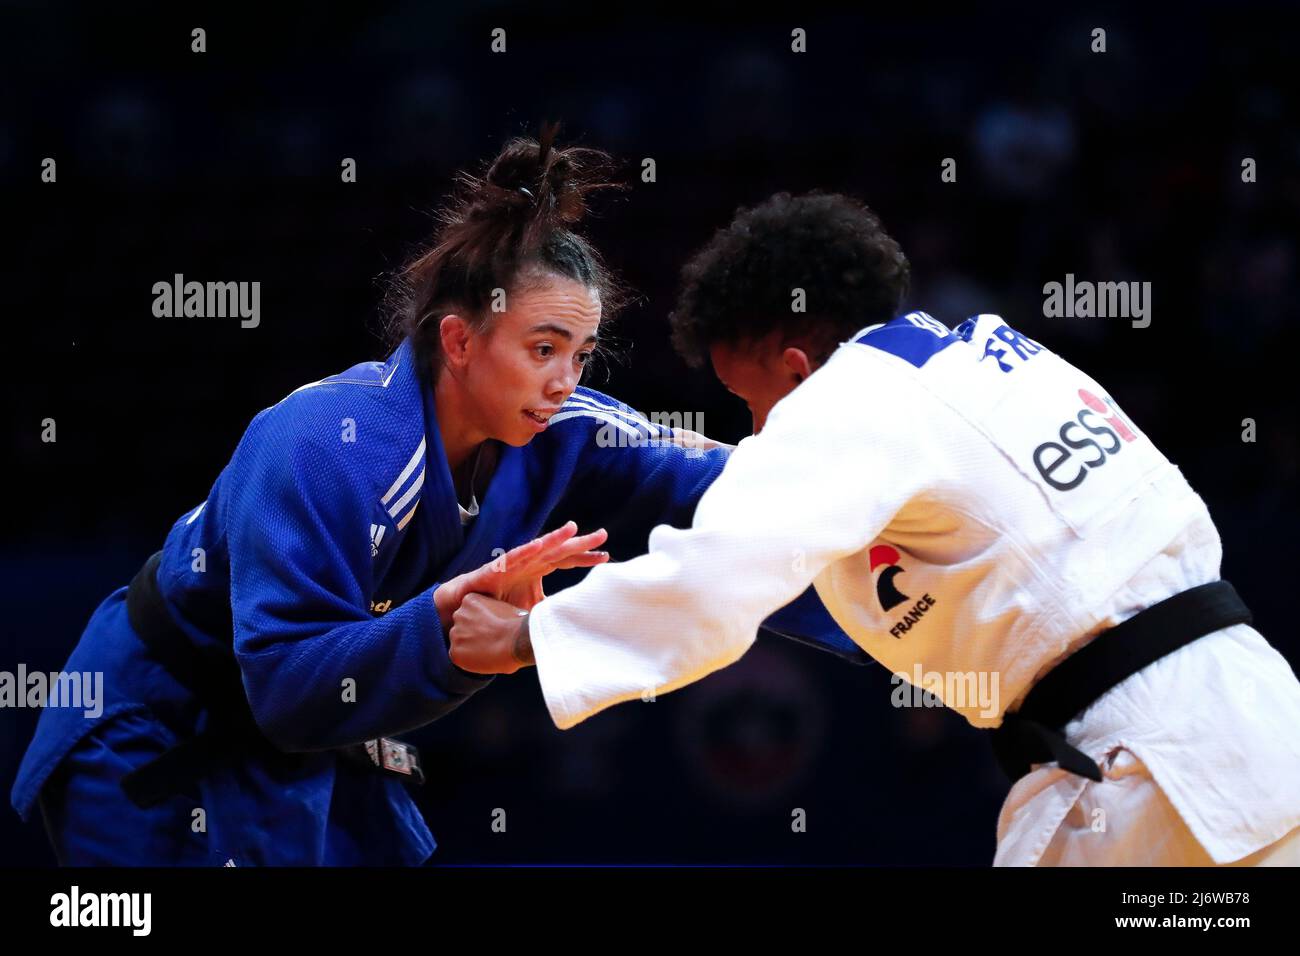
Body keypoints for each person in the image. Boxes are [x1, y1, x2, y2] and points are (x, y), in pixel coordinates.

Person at [10, 136, 849, 866]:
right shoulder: (322, 442)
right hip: (160, 728)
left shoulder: (576, 430)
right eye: (543, 348)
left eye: (583, 355)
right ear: (458, 339)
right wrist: (450, 637)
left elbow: (752, 505)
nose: (565, 382)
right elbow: (289, 691)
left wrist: (908, 591)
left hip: (309, 749)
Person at [449, 191, 1300, 866]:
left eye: (751, 404)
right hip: (1255, 726)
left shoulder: (847, 398)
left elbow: (715, 582)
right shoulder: (993, 358)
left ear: (795, 362)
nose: (757, 431)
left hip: (1147, 779)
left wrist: (535, 635)